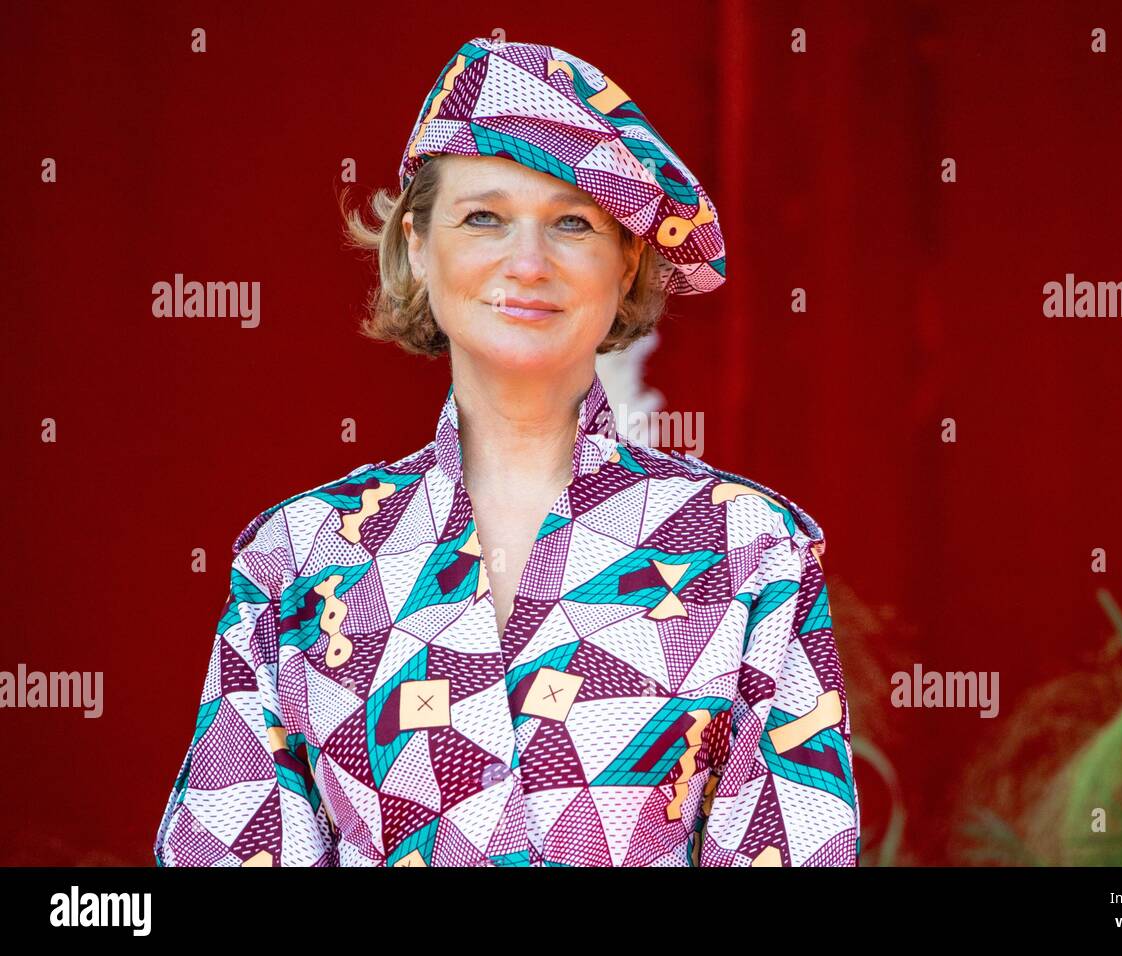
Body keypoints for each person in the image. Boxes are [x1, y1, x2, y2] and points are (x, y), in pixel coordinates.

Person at [153, 35, 860, 867]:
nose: (527, 263)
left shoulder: (748, 548)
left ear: (627, 259)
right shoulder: (299, 554)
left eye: (572, 223)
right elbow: (226, 848)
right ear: (418, 244)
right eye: (483, 216)